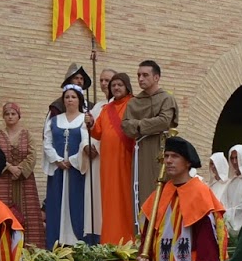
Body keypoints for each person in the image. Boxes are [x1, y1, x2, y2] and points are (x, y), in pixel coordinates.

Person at [122, 60, 179, 214]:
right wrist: (146, 126)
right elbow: (126, 127)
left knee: (162, 191)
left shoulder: (166, 99)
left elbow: (164, 121)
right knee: (141, 192)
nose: (141, 78)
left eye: (145, 75)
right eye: (139, 75)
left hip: (161, 149)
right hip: (141, 152)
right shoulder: (134, 102)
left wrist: (139, 126)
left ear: (156, 77)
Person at [88, 72, 137, 243]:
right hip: (107, 162)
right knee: (109, 199)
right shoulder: (106, 109)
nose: (116, 88)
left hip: (126, 157)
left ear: (127, 87)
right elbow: (98, 132)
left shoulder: (134, 103)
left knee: (125, 197)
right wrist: (90, 124)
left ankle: (128, 238)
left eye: (119, 85)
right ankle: (111, 239)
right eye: (113, 85)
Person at [0, 102, 47, 248]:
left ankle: (30, 250)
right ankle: (4, 249)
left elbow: (32, 155)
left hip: (24, 180)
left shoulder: (27, 134)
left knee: (28, 214)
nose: (10, 116)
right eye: (7, 114)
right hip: (3, 180)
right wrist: (9, 167)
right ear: (3, 116)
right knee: (3, 212)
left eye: (13, 113)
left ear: (18, 116)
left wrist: (20, 169)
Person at [43, 85, 91, 246]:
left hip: (76, 170)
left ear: (79, 100)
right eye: (67, 97)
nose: (70, 100)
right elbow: (47, 142)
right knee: (56, 203)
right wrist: (57, 160)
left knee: (77, 204)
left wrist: (72, 160)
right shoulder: (54, 120)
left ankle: (77, 241)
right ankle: (57, 242)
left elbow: (86, 143)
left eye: (73, 97)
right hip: (58, 169)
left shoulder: (84, 120)